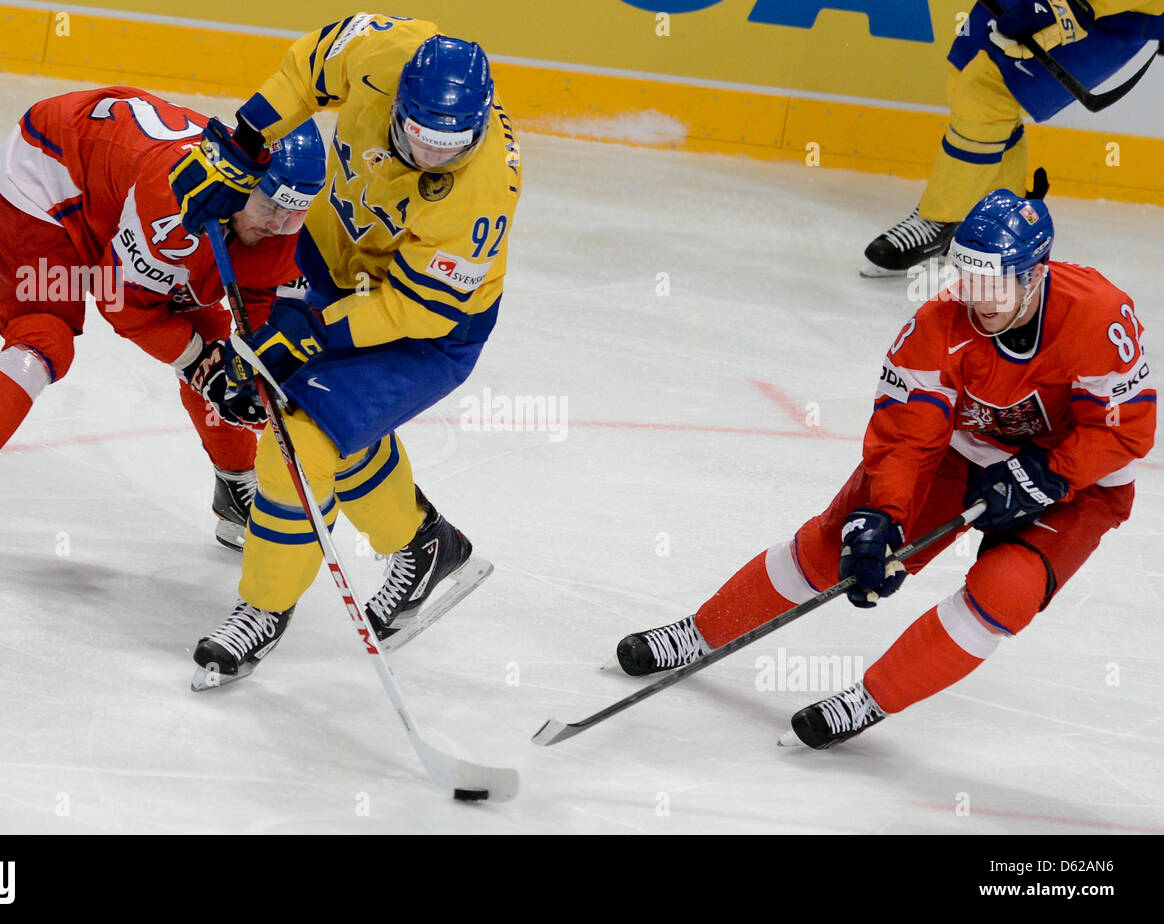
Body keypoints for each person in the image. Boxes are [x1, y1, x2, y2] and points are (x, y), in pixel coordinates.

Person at [620, 190, 1155, 749]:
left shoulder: (1097, 314)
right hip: (964, 452)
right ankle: (698, 634)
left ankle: (871, 698)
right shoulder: (938, 325)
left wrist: (1048, 473)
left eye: (996, 281)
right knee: (837, 550)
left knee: (1006, 592)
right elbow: (907, 437)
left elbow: (1125, 430)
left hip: (1081, 481)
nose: (979, 297)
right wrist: (883, 513)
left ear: (1036, 274)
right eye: (968, 277)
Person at [168, 13, 522, 687]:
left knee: (296, 441)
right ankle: (426, 544)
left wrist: (316, 331)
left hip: (424, 327)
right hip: (335, 254)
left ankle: (262, 608)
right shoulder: (383, 50)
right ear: (402, 103)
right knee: (329, 419)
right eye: (416, 137)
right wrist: (242, 145)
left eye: (449, 149)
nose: (429, 158)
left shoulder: (479, 200)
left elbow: (413, 306)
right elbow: (307, 69)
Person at [0, 86, 326, 568]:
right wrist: (200, 363)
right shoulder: (177, 200)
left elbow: (258, 303)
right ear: (240, 183)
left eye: (294, 210)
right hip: (45, 188)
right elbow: (123, 304)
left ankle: (238, 491)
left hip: (116, 191)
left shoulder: (272, 217)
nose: (281, 223)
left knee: (223, 352)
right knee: (43, 338)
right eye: (271, 207)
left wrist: (256, 364)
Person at [862, 0, 1164, 276]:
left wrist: (1070, 6)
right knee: (970, 71)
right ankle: (994, 223)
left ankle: (943, 220)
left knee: (986, 92)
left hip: (1107, 14)